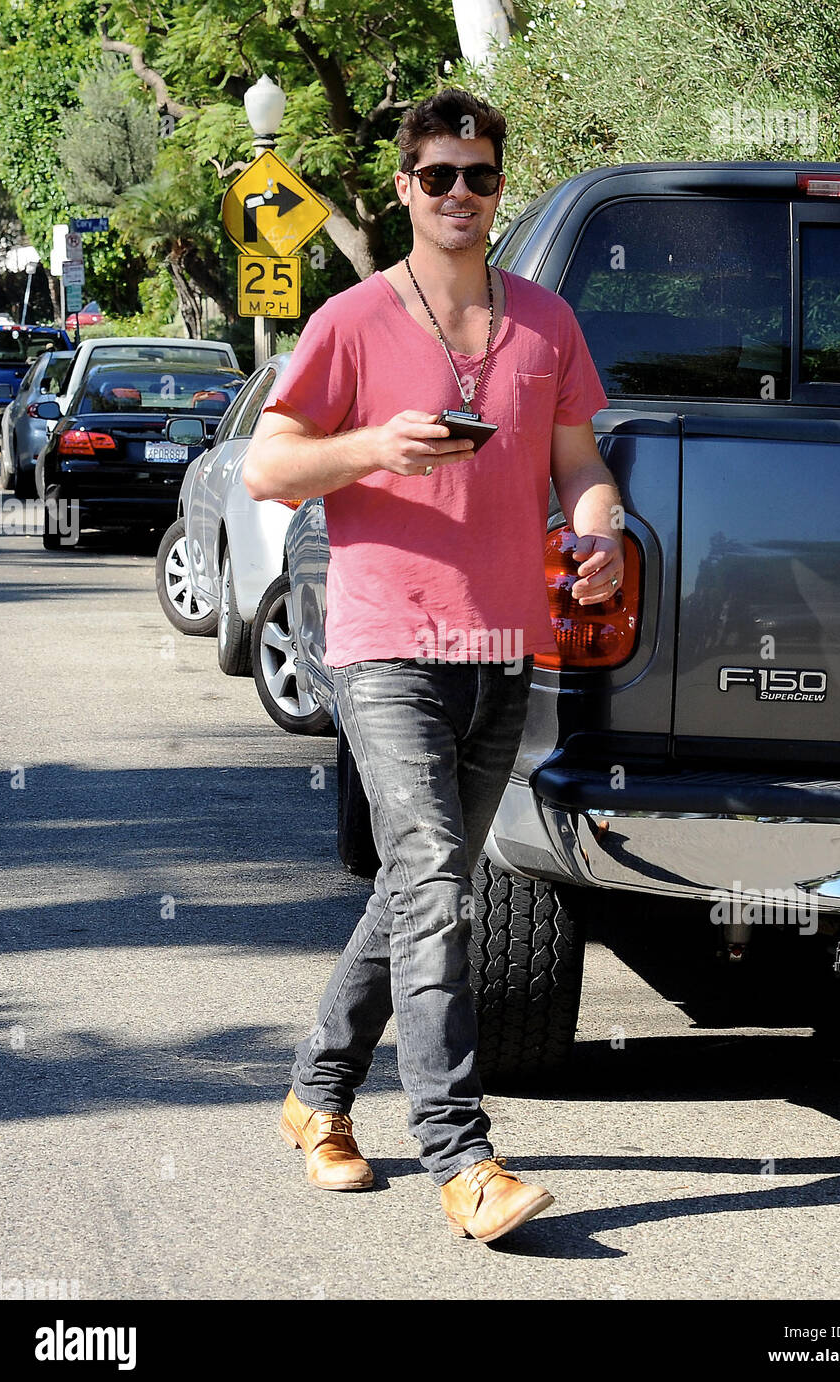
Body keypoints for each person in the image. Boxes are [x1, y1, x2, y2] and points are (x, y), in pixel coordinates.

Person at [243, 88, 623, 1243]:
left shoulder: (545, 324)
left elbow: (580, 467)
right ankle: (460, 1155)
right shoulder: (353, 320)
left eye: (481, 175)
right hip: (386, 643)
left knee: (424, 887)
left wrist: (600, 534)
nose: (461, 194)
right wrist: (375, 446)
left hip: (505, 643)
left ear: (498, 188)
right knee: (432, 884)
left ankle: (316, 1097)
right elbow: (270, 464)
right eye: (439, 175)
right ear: (404, 187)